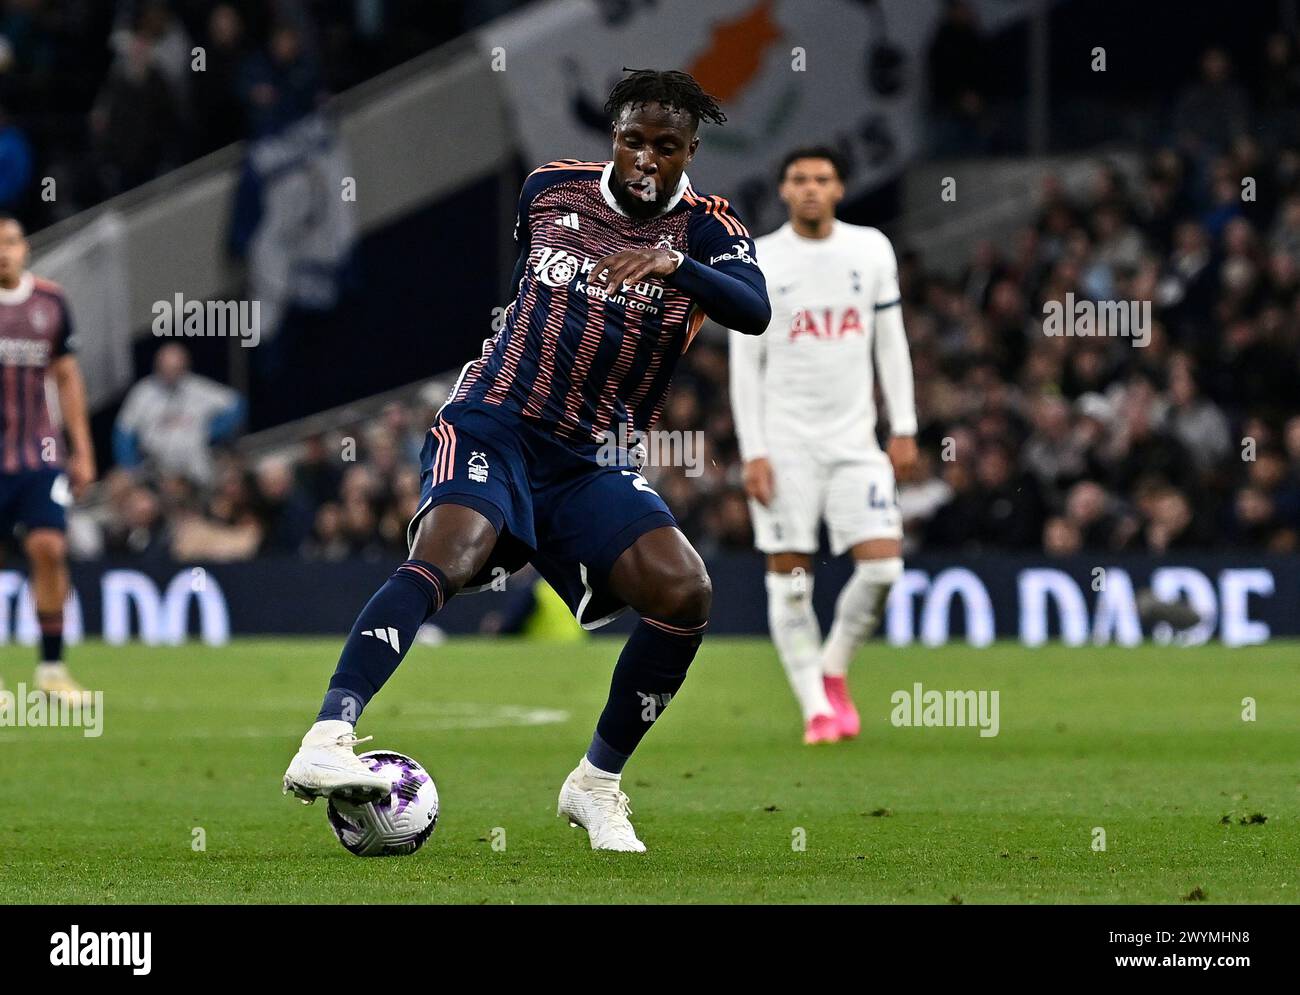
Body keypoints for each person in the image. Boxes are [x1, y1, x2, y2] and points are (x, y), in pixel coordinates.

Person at [283, 70, 770, 852]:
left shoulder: (708, 229)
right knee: (453, 549)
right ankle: (330, 736)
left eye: (667, 146)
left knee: (684, 591)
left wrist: (675, 268)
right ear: (614, 136)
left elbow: (755, 310)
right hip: (496, 421)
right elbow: (521, 293)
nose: (647, 157)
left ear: (691, 151)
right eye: (635, 139)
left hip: (591, 456)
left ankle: (596, 784)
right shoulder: (550, 189)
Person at [729, 147, 917, 744]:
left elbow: (891, 344)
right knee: (790, 581)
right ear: (783, 190)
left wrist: (906, 426)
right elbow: (744, 363)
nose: (811, 188)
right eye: (799, 179)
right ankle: (815, 706)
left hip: (856, 442)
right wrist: (753, 450)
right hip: (784, 446)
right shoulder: (757, 257)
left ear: (839, 188)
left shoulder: (871, 249)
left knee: (884, 567)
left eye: (823, 179)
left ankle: (831, 670)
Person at [0, 214, 96, 701]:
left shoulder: (51, 301)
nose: (4, 251)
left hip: (39, 453)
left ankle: (52, 670)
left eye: (11, 242)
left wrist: (82, 448)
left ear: (26, 248)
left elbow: (67, 377)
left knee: (50, 549)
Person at [113, 343, 244, 486]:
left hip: (196, 466)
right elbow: (123, 432)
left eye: (176, 369)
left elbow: (236, 404)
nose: (171, 374)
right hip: (159, 471)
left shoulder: (197, 387)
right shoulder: (142, 392)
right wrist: (131, 467)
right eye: (166, 368)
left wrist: (209, 433)